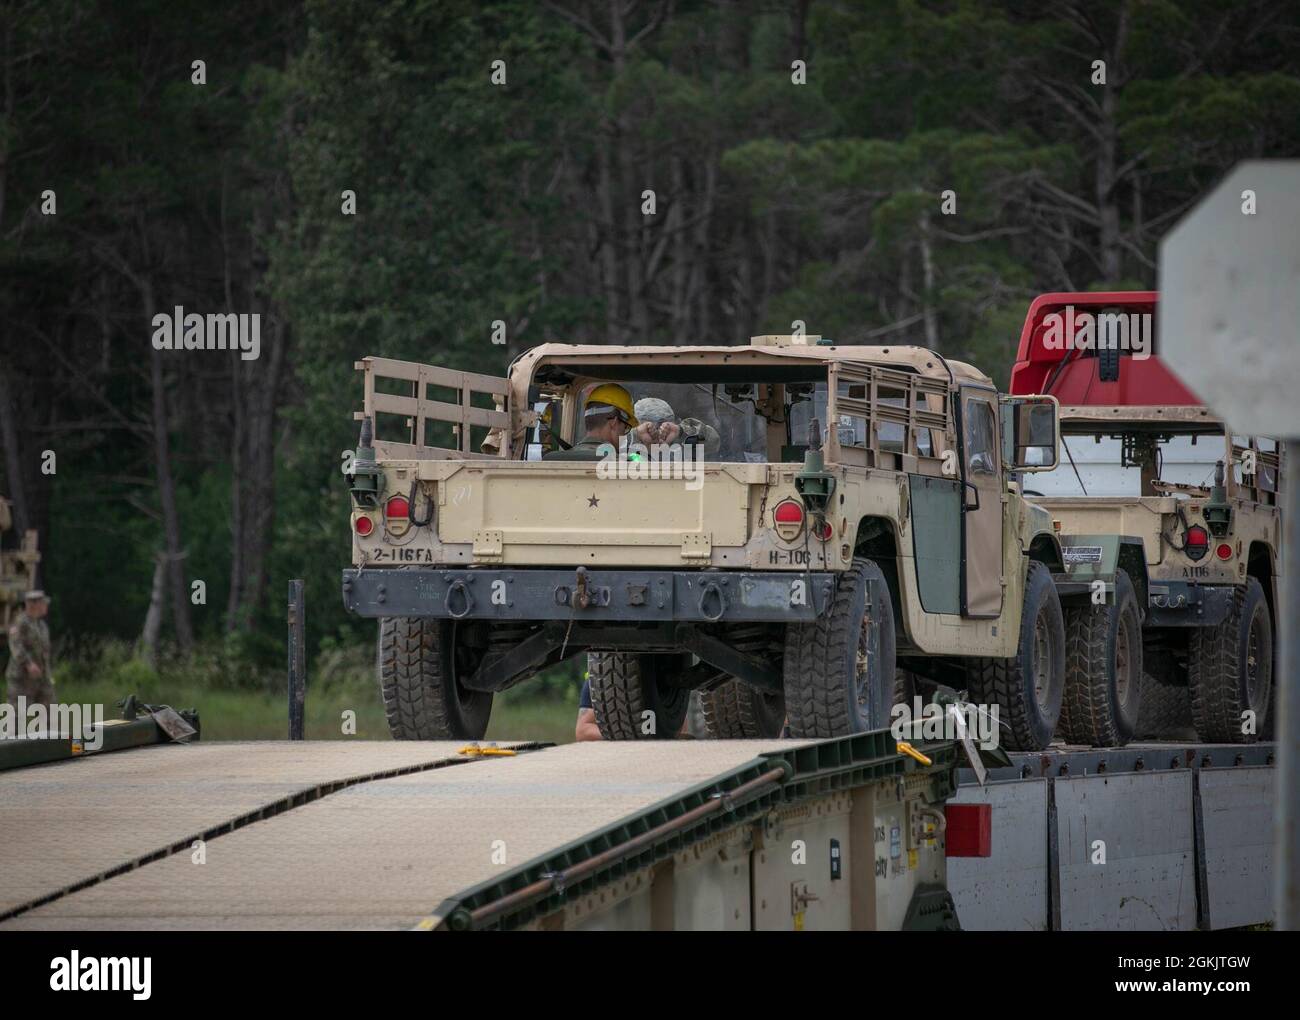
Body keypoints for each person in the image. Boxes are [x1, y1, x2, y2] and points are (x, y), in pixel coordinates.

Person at [543, 383, 642, 461]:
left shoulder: (552, 459)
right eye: (625, 428)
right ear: (614, 422)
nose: (623, 435)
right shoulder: (625, 466)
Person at [6, 589, 53, 709]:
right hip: (22, 678)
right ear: (34, 604)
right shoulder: (20, 622)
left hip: (41, 678)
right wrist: (28, 664)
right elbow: (16, 645)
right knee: (16, 714)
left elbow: (44, 652)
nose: (45, 606)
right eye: (43, 603)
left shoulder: (41, 625)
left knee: (49, 712)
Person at [632, 397, 721, 457]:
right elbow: (618, 442)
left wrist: (681, 430)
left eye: (662, 428)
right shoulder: (626, 450)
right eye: (648, 429)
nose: (656, 434)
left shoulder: (681, 449)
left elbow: (713, 441)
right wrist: (635, 435)